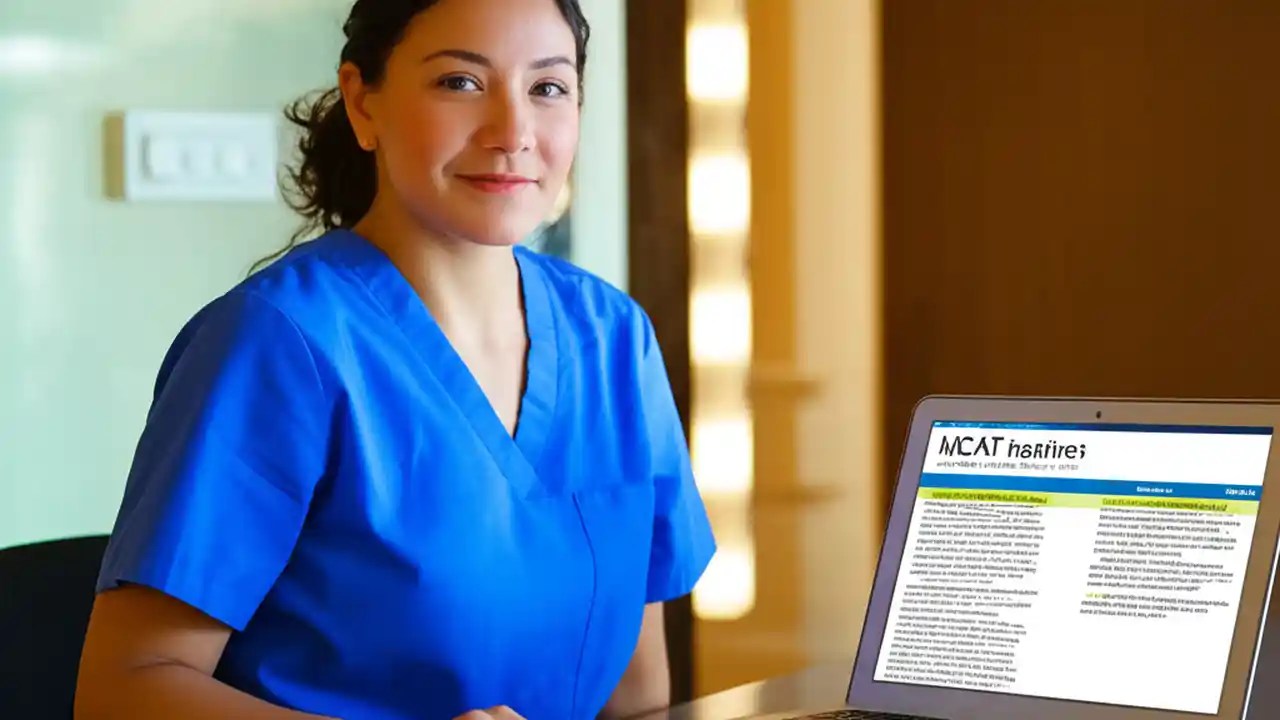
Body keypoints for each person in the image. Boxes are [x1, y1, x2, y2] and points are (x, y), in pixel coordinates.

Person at [73, 0, 716, 718]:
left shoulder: (615, 339)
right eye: (460, 83)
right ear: (362, 102)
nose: (514, 133)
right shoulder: (279, 344)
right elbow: (122, 688)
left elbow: (637, 694)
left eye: (547, 88)